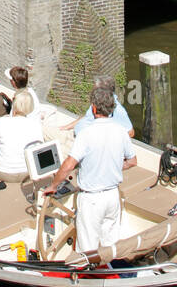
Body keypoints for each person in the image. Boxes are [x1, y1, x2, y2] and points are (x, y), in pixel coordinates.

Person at [42, 86, 136, 254]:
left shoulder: (86, 133)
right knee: (110, 247)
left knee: (87, 250)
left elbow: (68, 165)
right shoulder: (121, 132)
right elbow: (132, 161)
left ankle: (87, 277)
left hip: (92, 199)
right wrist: (113, 167)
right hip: (113, 196)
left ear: (93, 108)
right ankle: (109, 274)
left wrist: (53, 186)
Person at [64, 75, 134, 135]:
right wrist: (66, 127)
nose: (92, 92)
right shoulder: (98, 101)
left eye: (95, 90)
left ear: (104, 92)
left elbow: (130, 132)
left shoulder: (118, 110)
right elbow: (87, 117)